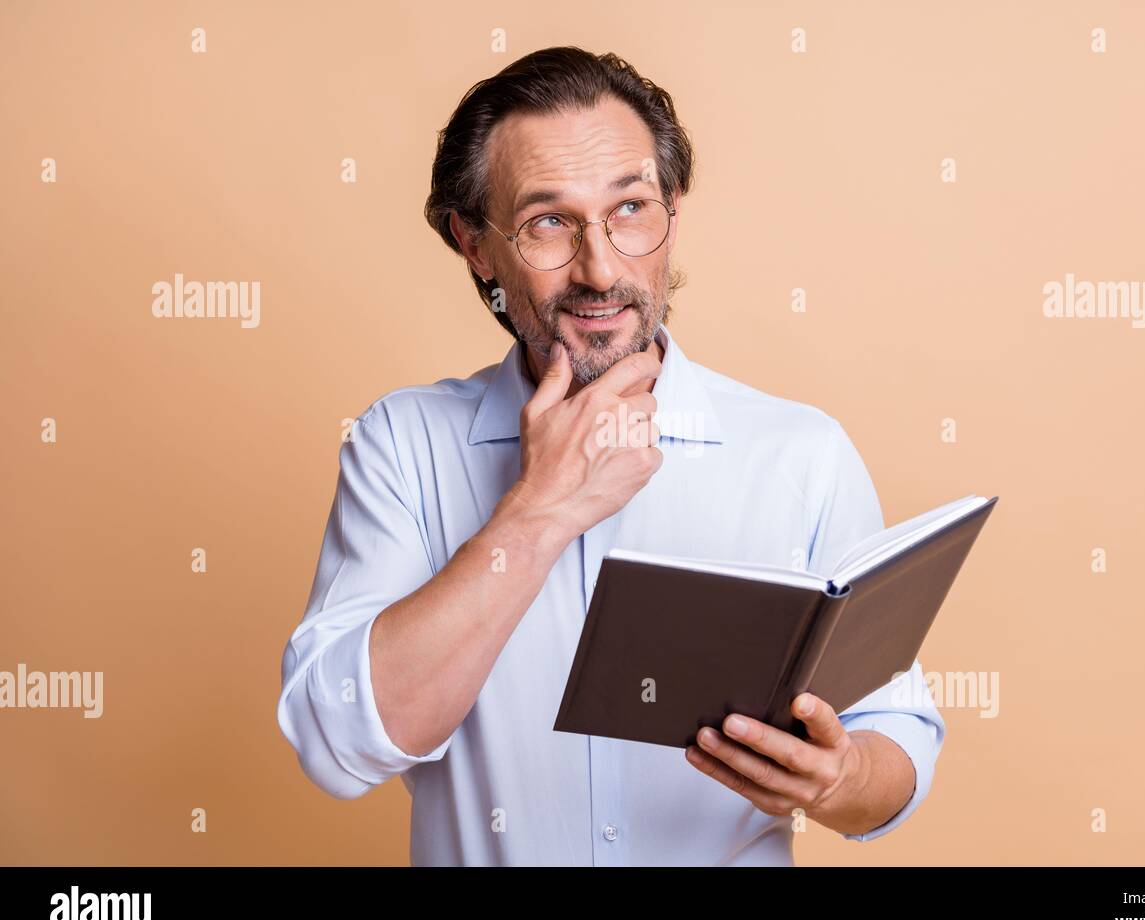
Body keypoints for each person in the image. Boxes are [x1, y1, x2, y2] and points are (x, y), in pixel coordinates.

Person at [277, 46, 944, 866]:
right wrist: (539, 510)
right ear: (476, 246)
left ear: (670, 214)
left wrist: (833, 779)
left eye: (630, 209)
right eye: (547, 222)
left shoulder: (800, 454)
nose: (599, 269)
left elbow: (899, 744)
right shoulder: (403, 446)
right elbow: (336, 742)